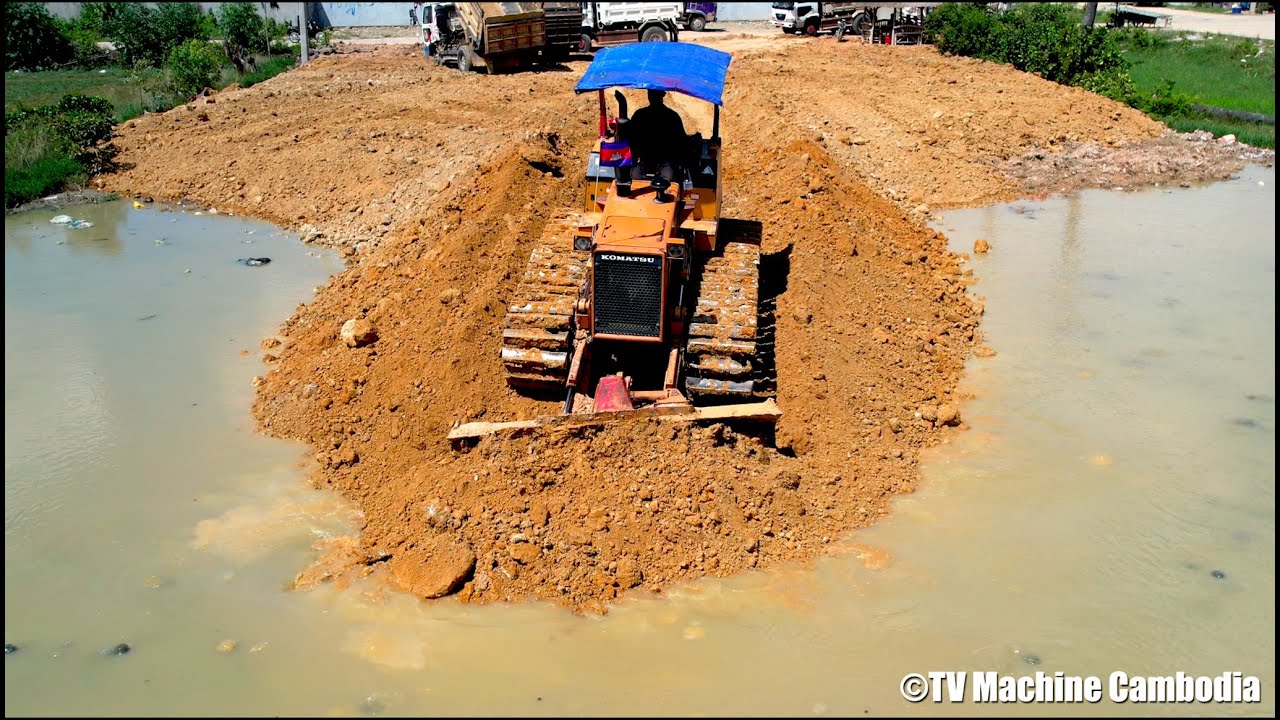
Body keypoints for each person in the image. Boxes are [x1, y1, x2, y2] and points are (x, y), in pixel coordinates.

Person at [622, 89, 689, 184]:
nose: (652, 98)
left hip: (665, 162)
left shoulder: (672, 116)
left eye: (655, 95)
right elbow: (631, 138)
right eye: (651, 95)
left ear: (661, 96)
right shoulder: (640, 115)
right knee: (635, 178)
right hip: (643, 161)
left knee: (668, 181)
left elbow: (681, 142)